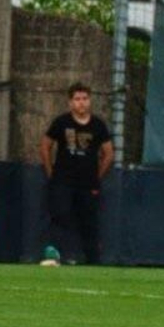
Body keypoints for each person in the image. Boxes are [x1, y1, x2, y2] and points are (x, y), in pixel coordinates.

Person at [40, 82, 113, 266]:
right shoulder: (61, 122)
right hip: (63, 180)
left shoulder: (98, 125)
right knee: (59, 216)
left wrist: (97, 176)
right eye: (77, 99)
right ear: (70, 102)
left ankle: (93, 261)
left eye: (85, 99)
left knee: (89, 222)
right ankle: (53, 255)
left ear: (90, 101)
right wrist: (51, 172)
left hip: (88, 183)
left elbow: (108, 153)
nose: (81, 103)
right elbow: (45, 146)